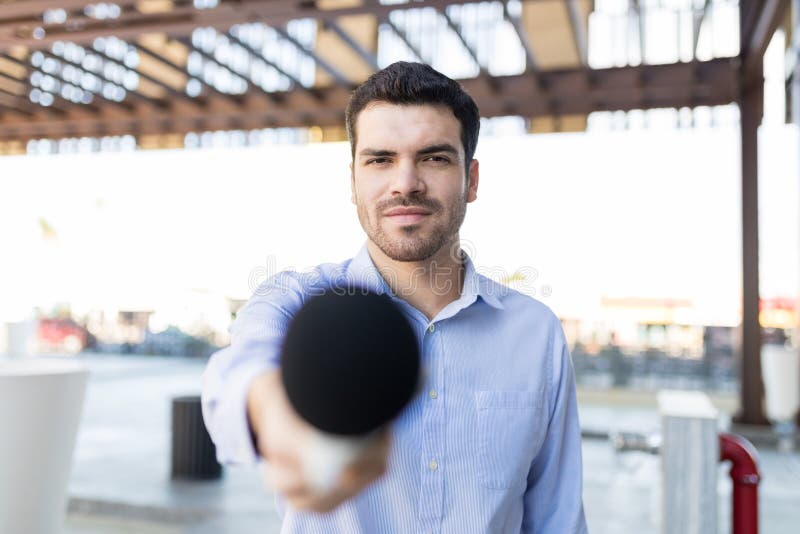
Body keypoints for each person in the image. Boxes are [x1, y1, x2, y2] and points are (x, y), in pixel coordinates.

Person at [201, 61, 588, 533]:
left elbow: (558, 519)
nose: (405, 182)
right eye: (380, 159)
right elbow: (235, 372)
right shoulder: (295, 300)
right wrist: (272, 413)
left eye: (434, 158)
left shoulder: (536, 333)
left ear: (472, 180)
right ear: (353, 180)